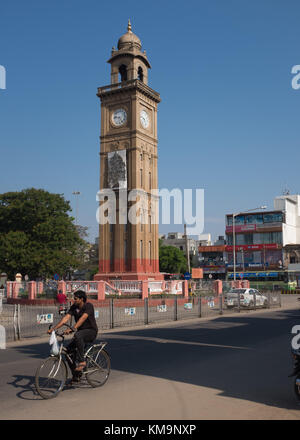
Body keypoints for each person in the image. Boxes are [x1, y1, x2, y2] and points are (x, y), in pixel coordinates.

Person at [48, 290, 98, 376]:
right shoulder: (74, 307)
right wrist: (54, 329)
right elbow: (66, 318)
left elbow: (83, 318)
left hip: (91, 331)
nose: (73, 300)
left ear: (81, 299)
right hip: (81, 332)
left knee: (77, 335)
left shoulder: (88, 306)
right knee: (68, 352)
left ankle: (82, 361)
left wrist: (73, 328)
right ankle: (76, 376)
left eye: (75, 298)